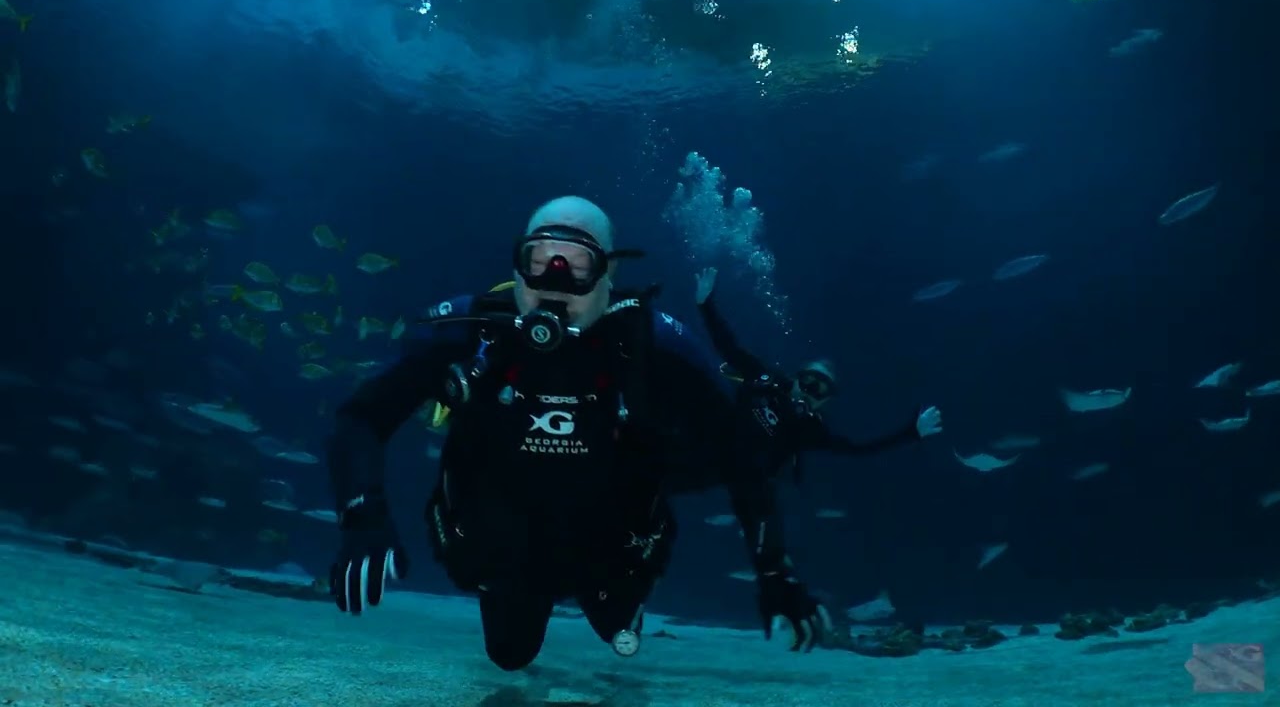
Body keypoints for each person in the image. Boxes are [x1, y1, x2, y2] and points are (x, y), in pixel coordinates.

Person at [326, 197, 831, 672]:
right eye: (540, 257)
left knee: (614, 622)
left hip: (613, 543)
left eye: (578, 261)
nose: (557, 278)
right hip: (506, 546)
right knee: (509, 655)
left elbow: (741, 460)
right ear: (516, 267)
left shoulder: (659, 350)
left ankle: (618, 610)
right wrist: (361, 513)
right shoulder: (469, 334)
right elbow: (361, 417)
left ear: (609, 270)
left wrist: (773, 571)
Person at [693, 267, 944, 485]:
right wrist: (706, 305)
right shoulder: (769, 380)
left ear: (824, 402)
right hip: (712, 444)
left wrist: (911, 432)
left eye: (820, 390)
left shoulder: (810, 432)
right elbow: (729, 347)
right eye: (808, 382)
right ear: (795, 378)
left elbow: (859, 448)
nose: (809, 391)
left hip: (745, 476)